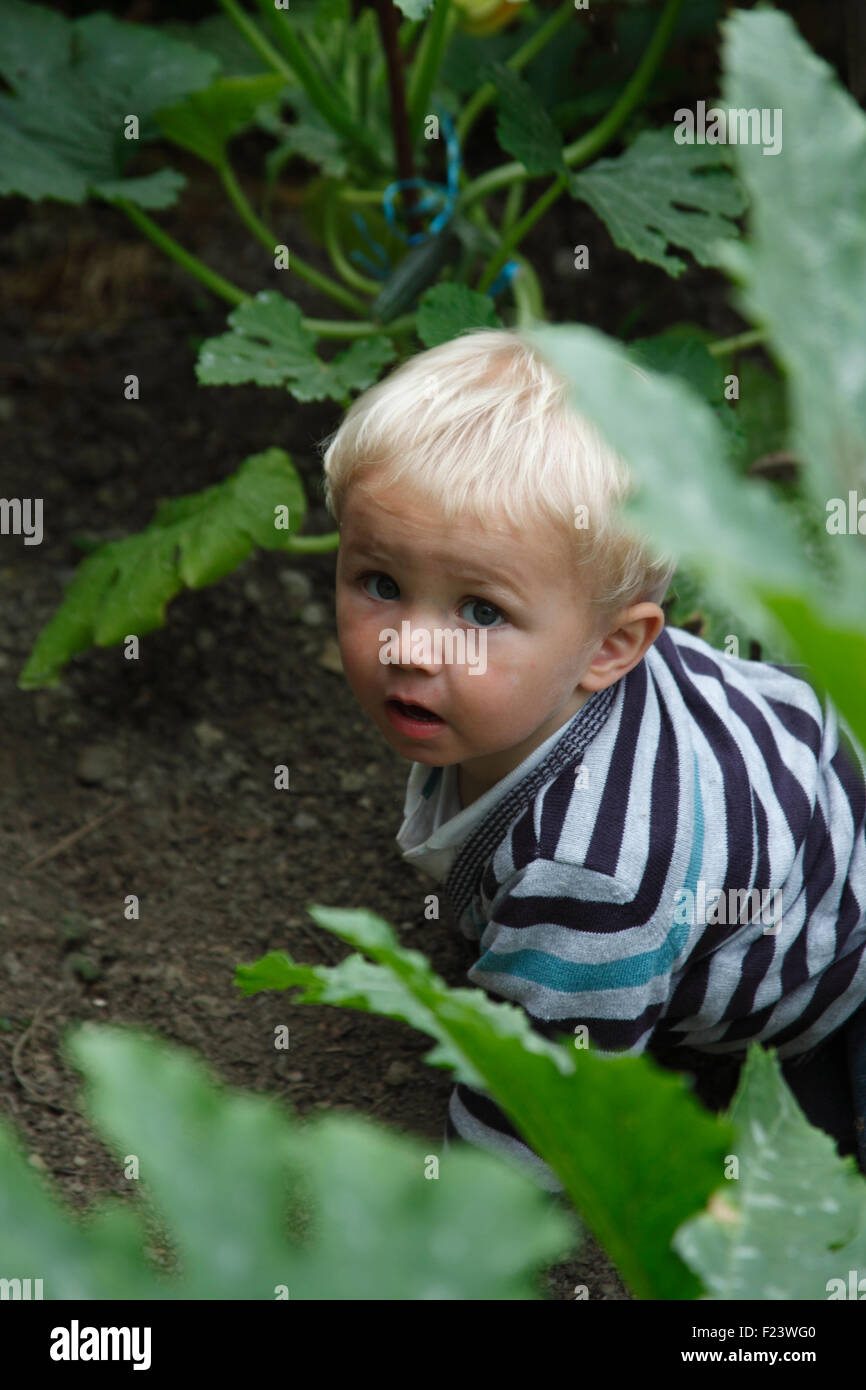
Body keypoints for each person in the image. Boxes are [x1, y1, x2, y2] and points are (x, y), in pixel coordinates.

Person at [317, 326, 866, 1186]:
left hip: (837, 977)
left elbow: (550, 1111)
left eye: (481, 613)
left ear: (613, 647)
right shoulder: (532, 694)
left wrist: (468, 1222)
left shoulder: (587, 874)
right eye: (380, 584)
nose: (411, 647)